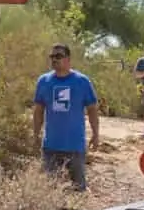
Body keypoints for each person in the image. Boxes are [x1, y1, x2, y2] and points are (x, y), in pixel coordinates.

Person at [32, 43, 100, 191]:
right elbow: (38, 110)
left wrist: (95, 134)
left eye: (58, 56)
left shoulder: (82, 81)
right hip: (51, 146)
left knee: (78, 189)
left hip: (74, 146)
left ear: (68, 59)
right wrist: (36, 134)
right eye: (52, 57)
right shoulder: (44, 81)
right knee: (49, 189)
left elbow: (92, 109)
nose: (54, 59)